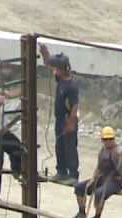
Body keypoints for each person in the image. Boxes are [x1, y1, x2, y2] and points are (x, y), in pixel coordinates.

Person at [70, 127, 122, 218]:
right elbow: (99, 167)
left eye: (110, 139)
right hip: (102, 177)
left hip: (115, 181)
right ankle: (81, 214)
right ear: (102, 140)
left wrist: (119, 159)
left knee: (99, 193)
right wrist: (92, 180)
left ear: (114, 139)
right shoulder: (102, 151)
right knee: (79, 187)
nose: (108, 141)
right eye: (106, 139)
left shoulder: (118, 151)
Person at [39, 44, 80, 184]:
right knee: (60, 146)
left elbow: (75, 106)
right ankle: (61, 171)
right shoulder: (61, 79)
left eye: (56, 68)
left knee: (70, 147)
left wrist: (71, 123)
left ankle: (73, 174)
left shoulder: (71, 86)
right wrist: (45, 53)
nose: (54, 71)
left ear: (62, 70)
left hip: (68, 119)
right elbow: (49, 65)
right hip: (59, 119)